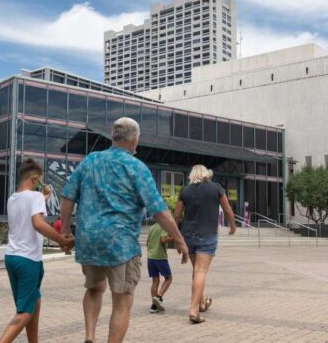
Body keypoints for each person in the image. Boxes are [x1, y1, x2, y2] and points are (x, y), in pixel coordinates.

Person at [60, 117, 189, 343]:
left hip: (89, 239)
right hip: (120, 244)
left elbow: (67, 197)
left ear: (113, 136)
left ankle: (90, 337)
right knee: (122, 300)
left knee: (93, 289)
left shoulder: (90, 160)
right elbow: (159, 210)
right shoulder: (136, 167)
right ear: (135, 139)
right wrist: (179, 239)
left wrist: (65, 233)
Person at [0, 158, 75, 343]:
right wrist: (62, 241)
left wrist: (44, 197)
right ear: (34, 179)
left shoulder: (13, 198)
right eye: (40, 179)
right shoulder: (35, 197)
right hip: (28, 260)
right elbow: (38, 223)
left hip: (12, 257)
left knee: (34, 302)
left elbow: (27, 212)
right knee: (24, 312)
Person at [173, 165, 236, 324]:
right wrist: (233, 226)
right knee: (201, 271)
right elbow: (227, 209)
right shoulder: (216, 188)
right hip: (207, 234)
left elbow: (176, 215)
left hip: (188, 236)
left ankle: (201, 303)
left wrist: (175, 236)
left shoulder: (185, 190)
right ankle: (193, 310)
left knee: (196, 270)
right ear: (206, 174)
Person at [146, 222, 173, 313]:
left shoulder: (152, 227)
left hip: (150, 257)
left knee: (155, 281)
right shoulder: (164, 225)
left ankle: (154, 306)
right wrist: (174, 238)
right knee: (168, 278)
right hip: (160, 257)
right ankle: (159, 297)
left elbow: (147, 242)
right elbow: (163, 240)